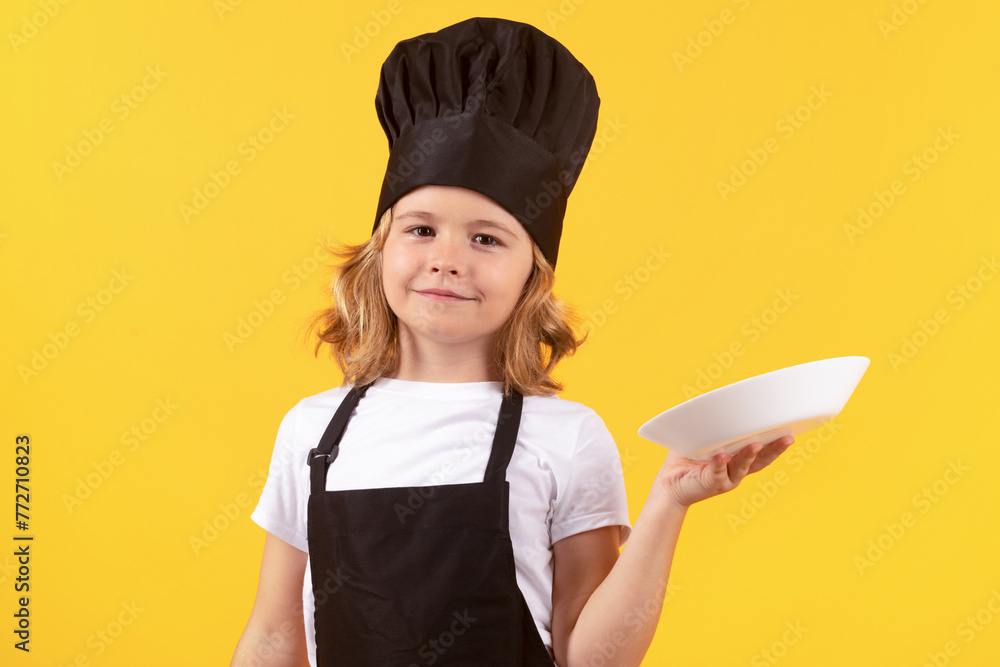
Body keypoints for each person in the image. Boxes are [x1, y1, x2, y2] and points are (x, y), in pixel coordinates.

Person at [230, 16, 793, 667]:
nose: (446, 258)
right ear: (380, 250)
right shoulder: (312, 431)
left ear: (534, 273)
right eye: (420, 229)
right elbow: (274, 636)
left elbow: (594, 657)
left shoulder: (568, 438)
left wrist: (669, 500)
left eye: (486, 238)